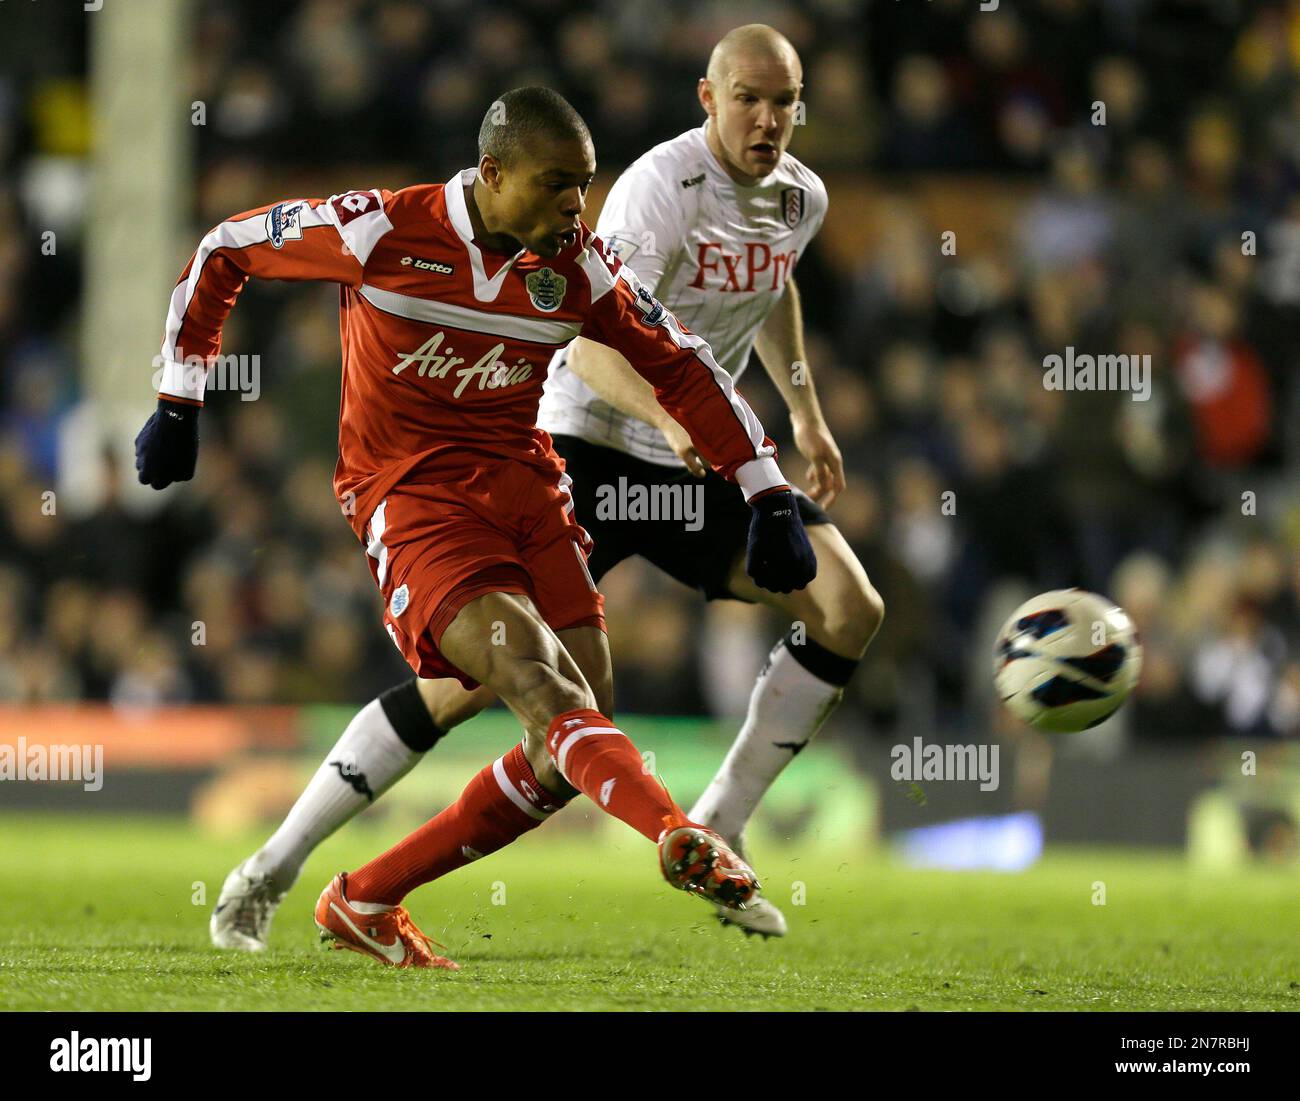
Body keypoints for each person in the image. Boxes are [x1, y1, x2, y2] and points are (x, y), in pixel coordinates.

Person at [137, 84, 816, 969]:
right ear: (491, 173)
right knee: (538, 682)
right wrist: (180, 398)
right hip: (412, 494)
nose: (576, 206)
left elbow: (683, 367)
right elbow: (226, 248)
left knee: (574, 725)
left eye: (585, 185)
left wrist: (764, 489)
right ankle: (679, 834)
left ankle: (367, 895)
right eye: (555, 185)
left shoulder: (574, 264)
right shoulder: (380, 230)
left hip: (525, 484)